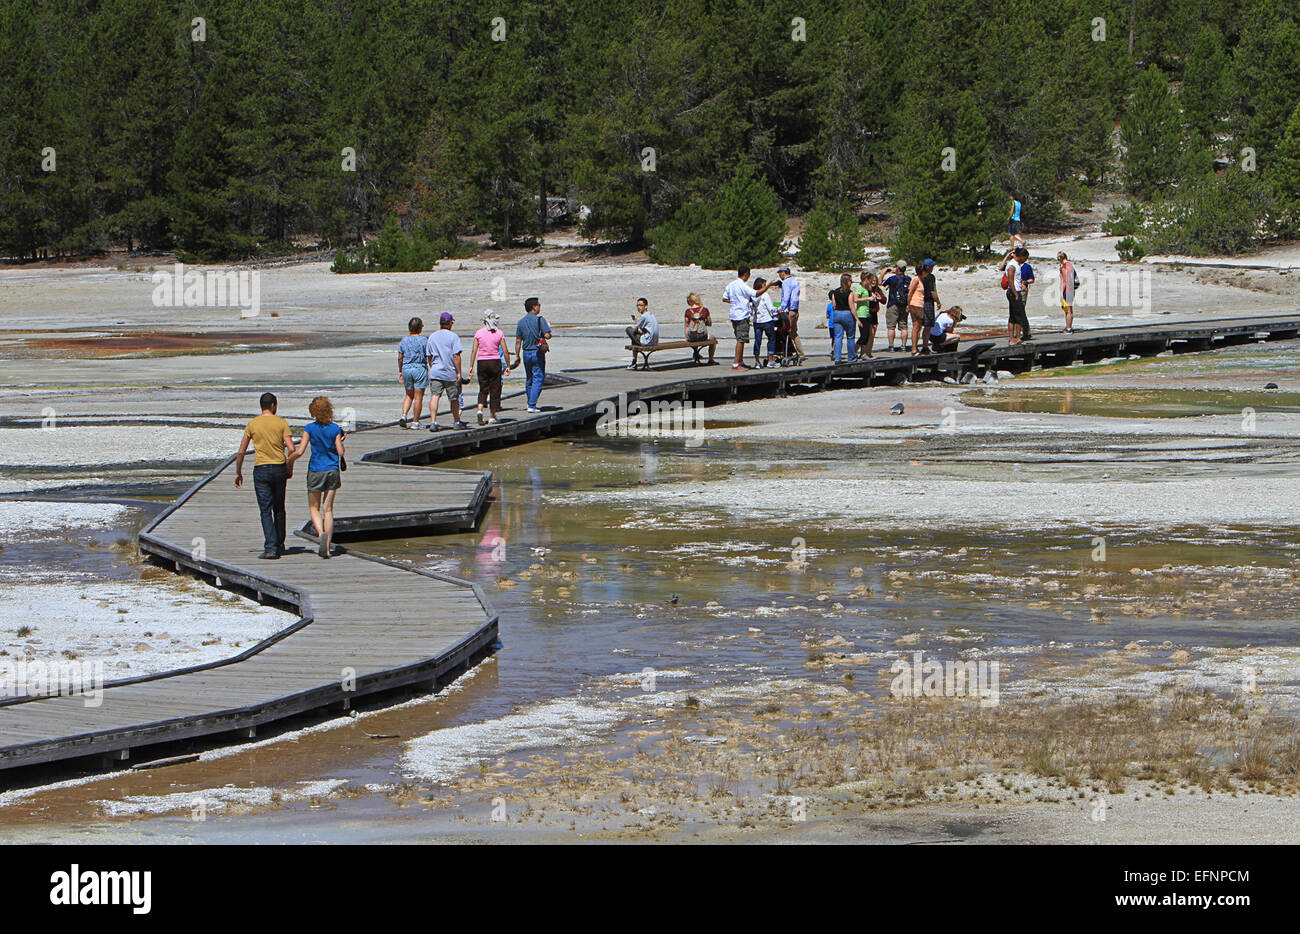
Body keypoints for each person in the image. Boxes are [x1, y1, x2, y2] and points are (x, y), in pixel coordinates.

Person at [234, 392, 299, 560]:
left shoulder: (252, 424)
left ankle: (271, 547)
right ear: (273, 406)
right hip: (278, 468)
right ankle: (279, 544)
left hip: (261, 469)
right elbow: (292, 449)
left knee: (265, 509)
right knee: (279, 507)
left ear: (262, 406)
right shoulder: (281, 423)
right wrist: (289, 466)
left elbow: (241, 451)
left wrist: (238, 472)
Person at [292, 395, 344, 559]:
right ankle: (327, 547)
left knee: (313, 508)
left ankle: (320, 533)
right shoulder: (335, 428)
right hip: (332, 470)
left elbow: (300, 451)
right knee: (328, 509)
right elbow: (340, 452)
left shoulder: (309, 428)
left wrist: (289, 460)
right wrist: (341, 441)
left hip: (315, 470)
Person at [722, 266, 771, 371]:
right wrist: (768, 286)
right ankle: (736, 364)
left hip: (734, 315)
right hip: (741, 315)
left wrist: (735, 302)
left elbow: (725, 298)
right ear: (746, 274)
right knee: (741, 340)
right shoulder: (742, 285)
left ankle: (740, 361)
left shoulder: (731, 285)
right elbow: (756, 293)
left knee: (741, 339)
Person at [468, 311, 513, 424]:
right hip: (495, 362)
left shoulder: (478, 333)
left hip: (482, 362)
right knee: (495, 389)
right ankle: (492, 416)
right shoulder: (499, 333)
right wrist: (508, 365)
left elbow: (474, 350)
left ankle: (479, 409)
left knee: (483, 388)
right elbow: (505, 350)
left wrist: (471, 366)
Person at [426, 311, 468, 430]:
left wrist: (432, 366)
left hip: (435, 371)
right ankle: (456, 421)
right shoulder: (453, 336)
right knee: (453, 398)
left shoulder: (432, 336)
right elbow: (456, 356)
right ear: (449, 323)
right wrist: (459, 372)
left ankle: (433, 422)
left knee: (435, 396)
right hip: (450, 372)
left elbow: (429, 356)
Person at [514, 297, 552, 412]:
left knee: (529, 378)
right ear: (534, 307)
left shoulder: (521, 322)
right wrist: (549, 330)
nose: (540, 307)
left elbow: (518, 341)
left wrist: (517, 355)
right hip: (537, 352)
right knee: (538, 377)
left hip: (526, 352)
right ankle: (532, 404)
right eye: (539, 305)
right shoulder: (540, 319)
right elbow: (547, 335)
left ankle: (530, 402)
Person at [397, 316, 429, 429]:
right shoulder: (424, 340)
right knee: (418, 397)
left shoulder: (404, 340)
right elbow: (428, 355)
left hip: (406, 368)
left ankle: (404, 415)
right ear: (420, 328)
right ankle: (415, 421)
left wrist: (400, 370)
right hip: (420, 368)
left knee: (409, 395)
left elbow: (400, 357)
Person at [999, 247, 1033, 344]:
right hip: (1013, 292)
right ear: (1021, 256)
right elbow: (1010, 281)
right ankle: (1015, 338)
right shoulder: (1012, 265)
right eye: (1025, 257)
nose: (1026, 259)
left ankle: (1016, 338)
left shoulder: (1017, 265)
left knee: (1015, 316)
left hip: (1015, 291)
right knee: (1017, 316)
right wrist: (1015, 294)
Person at [851, 271, 885, 358]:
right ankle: (854, 352)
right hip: (862, 313)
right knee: (865, 335)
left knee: (868, 335)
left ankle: (865, 353)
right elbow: (855, 299)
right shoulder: (861, 288)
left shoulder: (870, 288)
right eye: (871, 280)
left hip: (869, 313)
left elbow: (883, 299)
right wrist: (869, 298)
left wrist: (878, 297)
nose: (872, 282)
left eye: (874, 280)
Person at [881, 262, 911, 352]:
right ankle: (903, 346)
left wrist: (884, 272)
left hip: (893, 304)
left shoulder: (892, 279)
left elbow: (880, 283)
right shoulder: (908, 279)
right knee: (904, 327)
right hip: (904, 304)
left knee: (891, 327)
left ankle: (891, 346)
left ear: (897, 268)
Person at [828, 273, 856, 363]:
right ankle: (851, 357)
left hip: (837, 314)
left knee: (838, 337)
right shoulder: (850, 293)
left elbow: (834, 305)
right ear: (848, 282)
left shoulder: (835, 292)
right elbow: (852, 306)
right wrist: (857, 318)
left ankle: (837, 358)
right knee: (850, 337)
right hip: (847, 313)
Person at [776, 266, 803, 359]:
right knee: (794, 333)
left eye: (780, 273)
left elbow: (786, 298)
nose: (779, 275)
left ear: (783, 272)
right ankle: (798, 353)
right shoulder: (795, 281)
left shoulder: (786, 283)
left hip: (789, 311)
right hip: (795, 309)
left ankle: (790, 352)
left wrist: (780, 309)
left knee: (786, 332)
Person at [751, 277, 778, 368]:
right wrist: (778, 309)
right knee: (771, 339)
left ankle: (757, 361)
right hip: (766, 320)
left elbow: (751, 309)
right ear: (762, 285)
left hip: (757, 321)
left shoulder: (753, 295)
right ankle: (770, 360)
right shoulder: (765, 295)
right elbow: (770, 308)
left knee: (757, 340)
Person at [626, 297, 660, 368]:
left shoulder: (644, 316)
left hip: (647, 342)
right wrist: (637, 322)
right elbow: (642, 329)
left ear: (646, 306)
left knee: (629, 329)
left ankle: (634, 361)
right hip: (655, 341)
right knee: (635, 336)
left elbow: (635, 330)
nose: (639, 307)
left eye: (641, 305)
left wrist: (636, 323)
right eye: (637, 305)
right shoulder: (651, 315)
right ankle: (634, 361)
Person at [684, 293, 715, 363]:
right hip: (703, 336)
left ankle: (696, 353)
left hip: (692, 337)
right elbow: (710, 323)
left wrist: (686, 338)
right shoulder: (704, 310)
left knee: (692, 337)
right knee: (713, 339)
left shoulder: (688, 311)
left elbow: (686, 326)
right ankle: (711, 359)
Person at [1058, 251, 1077, 333]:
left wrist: (1061, 293)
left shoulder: (1064, 267)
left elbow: (1064, 281)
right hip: (1072, 289)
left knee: (1068, 309)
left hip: (1067, 290)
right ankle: (1068, 326)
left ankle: (1069, 328)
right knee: (1069, 308)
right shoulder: (1070, 265)